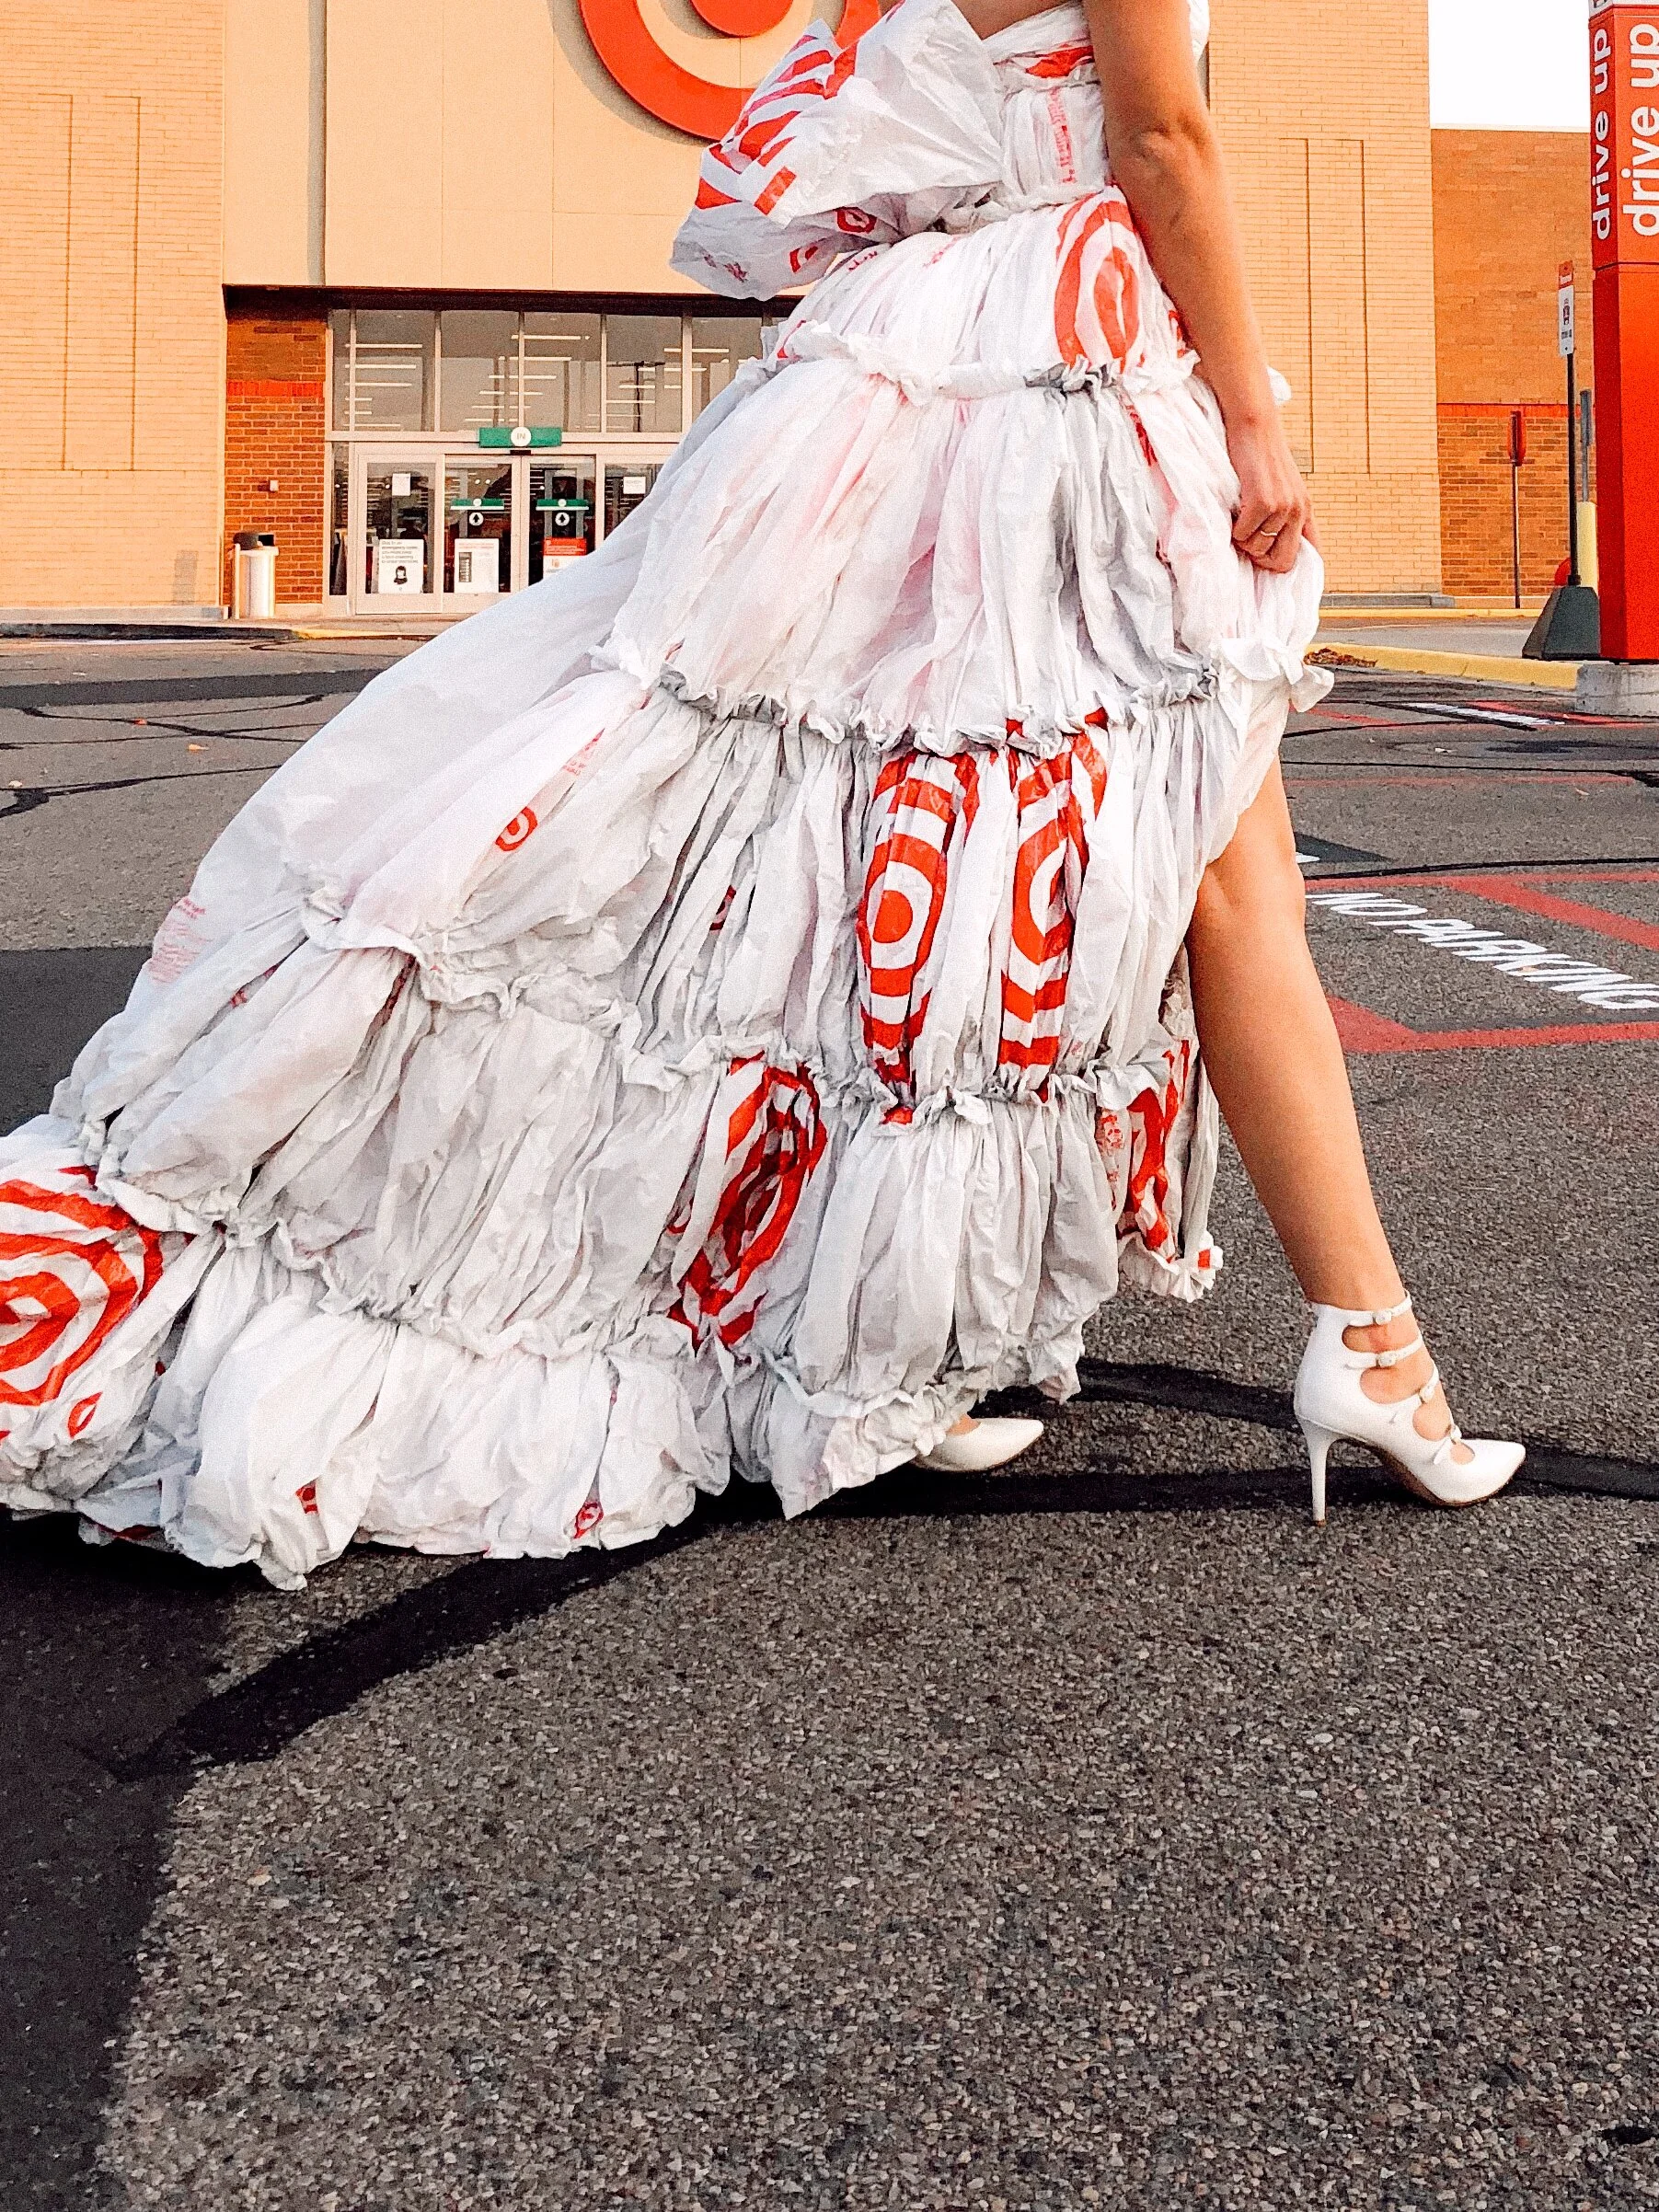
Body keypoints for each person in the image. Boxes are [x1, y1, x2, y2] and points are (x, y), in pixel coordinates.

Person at [0, 0, 1520, 1591]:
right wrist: (1251, 413)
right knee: (1199, 874)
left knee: (862, 852)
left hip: (907, 371)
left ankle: (883, 1341)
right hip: (1065, 383)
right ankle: (1361, 1343)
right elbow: (1158, 142)